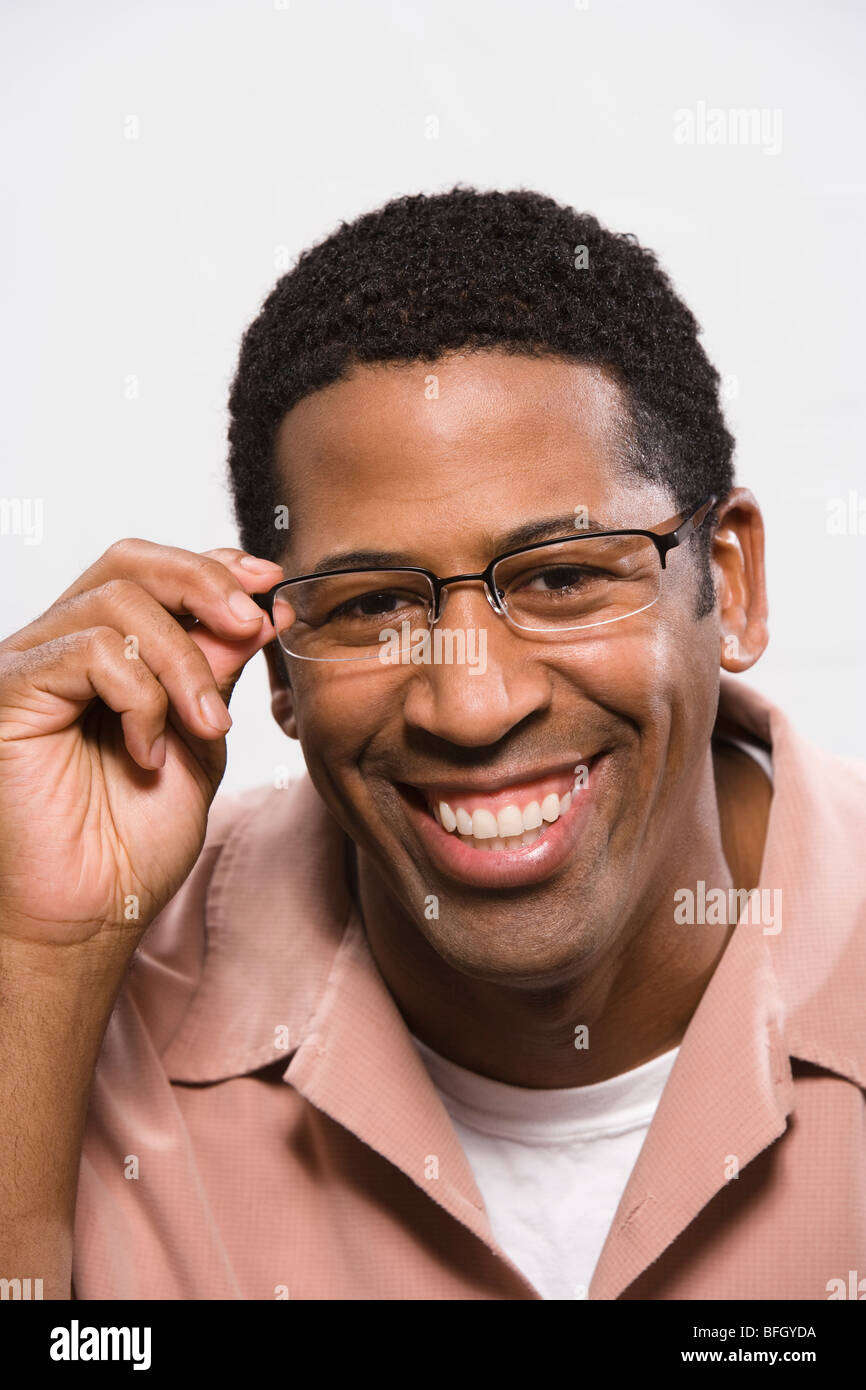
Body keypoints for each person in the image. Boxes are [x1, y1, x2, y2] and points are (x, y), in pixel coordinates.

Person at [1, 188, 863, 1302]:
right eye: (366, 604)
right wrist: (42, 953)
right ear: (275, 665)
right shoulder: (81, 1000)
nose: (468, 706)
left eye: (561, 579)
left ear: (729, 585)